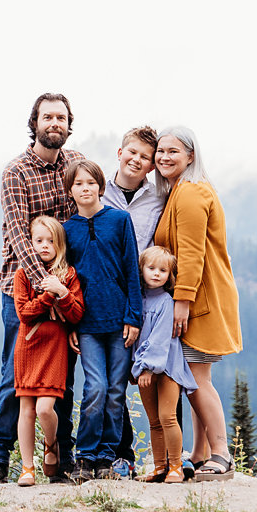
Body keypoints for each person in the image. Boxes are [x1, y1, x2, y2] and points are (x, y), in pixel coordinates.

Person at [0, 92, 82, 485]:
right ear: (34, 123)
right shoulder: (16, 172)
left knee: (62, 380)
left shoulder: (75, 164)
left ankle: (63, 461)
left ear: (69, 124)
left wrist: (65, 290)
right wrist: (47, 287)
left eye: (61, 117)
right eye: (47, 117)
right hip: (21, 289)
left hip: (65, 289)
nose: (54, 123)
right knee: (14, 378)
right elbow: (21, 240)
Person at [154, 126, 242, 482]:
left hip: (198, 300)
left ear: (191, 155)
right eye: (160, 151)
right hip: (201, 297)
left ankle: (221, 454)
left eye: (173, 151)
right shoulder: (182, 190)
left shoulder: (190, 194)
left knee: (196, 379)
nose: (163, 157)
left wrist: (182, 301)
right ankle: (200, 453)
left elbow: (191, 254)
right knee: (195, 376)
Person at [63, 158, 142, 482]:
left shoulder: (120, 221)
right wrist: (70, 324)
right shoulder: (67, 230)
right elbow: (65, 278)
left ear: (101, 186)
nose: (85, 188)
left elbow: (132, 272)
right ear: (70, 191)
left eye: (90, 183)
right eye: (79, 184)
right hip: (86, 325)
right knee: (95, 388)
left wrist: (133, 317)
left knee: (115, 393)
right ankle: (85, 456)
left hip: (120, 322)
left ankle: (108, 458)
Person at [101, 124, 164, 477]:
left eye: (145, 157)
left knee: (150, 374)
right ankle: (120, 454)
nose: (137, 160)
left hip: (144, 300)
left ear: (152, 166)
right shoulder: (97, 191)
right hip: (104, 300)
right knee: (112, 379)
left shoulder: (157, 199)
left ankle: (168, 457)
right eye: (132, 153)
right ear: (119, 153)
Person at [14, 216, 84, 486]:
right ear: (30, 244)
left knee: (45, 409)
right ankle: (27, 467)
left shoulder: (68, 275)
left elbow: (77, 314)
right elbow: (24, 312)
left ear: (60, 244)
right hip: (29, 346)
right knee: (27, 409)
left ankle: (51, 444)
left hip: (55, 349)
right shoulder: (23, 274)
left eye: (50, 240)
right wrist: (47, 296)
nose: (44, 246)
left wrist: (62, 292)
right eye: (38, 240)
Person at [131, 245, 197, 484]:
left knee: (168, 416)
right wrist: (135, 367)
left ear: (170, 275)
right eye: (151, 268)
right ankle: (159, 468)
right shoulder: (136, 300)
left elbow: (160, 339)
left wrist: (147, 367)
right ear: (141, 270)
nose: (157, 274)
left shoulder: (167, 302)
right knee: (153, 421)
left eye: (163, 270)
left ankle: (176, 466)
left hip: (166, 366)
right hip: (143, 369)